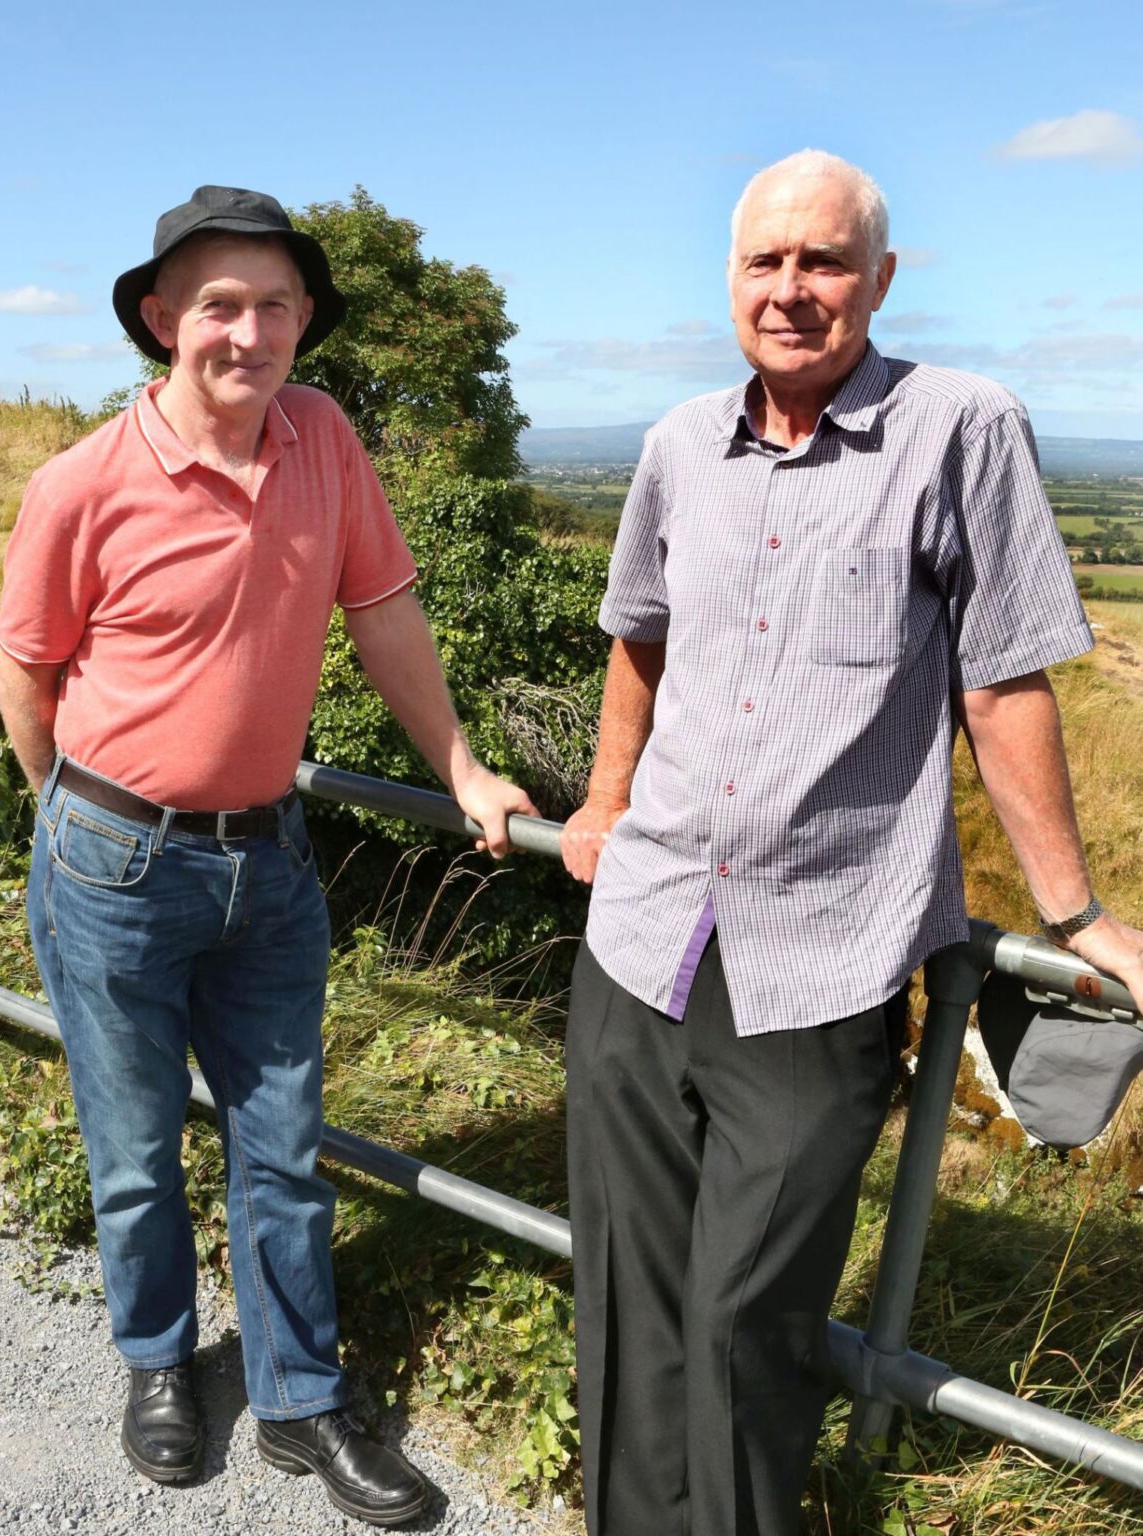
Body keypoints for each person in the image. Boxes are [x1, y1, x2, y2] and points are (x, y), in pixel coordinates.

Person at [559, 148, 1143, 1536]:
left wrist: (1073, 915)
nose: (790, 289)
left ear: (878, 280)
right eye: (764, 261)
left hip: (821, 959)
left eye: (822, 261)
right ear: (729, 279)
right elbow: (637, 635)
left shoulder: (961, 428)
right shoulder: (677, 446)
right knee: (626, 1293)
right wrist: (600, 796)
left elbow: (1001, 681)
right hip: (642, 937)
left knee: (745, 1319)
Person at [0, 184, 538, 1529]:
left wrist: (461, 767)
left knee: (282, 1150)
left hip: (271, 866)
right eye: (221, 305)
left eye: (276, 305)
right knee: (134, 1150)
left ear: (302, 322)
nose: (250, 332)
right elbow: (28, 670)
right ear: (161, 319)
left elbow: (385, 611)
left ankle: (300, 1397)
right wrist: (68, 818)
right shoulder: (82, 482)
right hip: (113, 863)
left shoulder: (322, 437)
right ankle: (159, 1362)